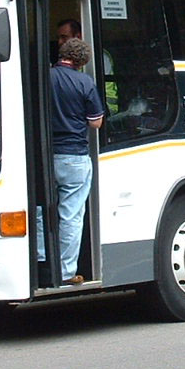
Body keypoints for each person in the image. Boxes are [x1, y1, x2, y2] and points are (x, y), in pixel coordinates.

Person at [50, 37, 105, 285]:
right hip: (74, 156)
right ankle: (65, 271)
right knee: (71, 215)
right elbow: (95, 121)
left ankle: (42, 262)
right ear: (82, 61)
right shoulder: (84, 81)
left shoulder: (45, 77)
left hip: (46, 155)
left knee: (42, 212)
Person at [57, 19, 118, 113]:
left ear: (77, 36)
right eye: (59, 37)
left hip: (105, 108)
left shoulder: (99, 56)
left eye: (64, 37)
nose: (60, 42)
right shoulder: (65, 58)